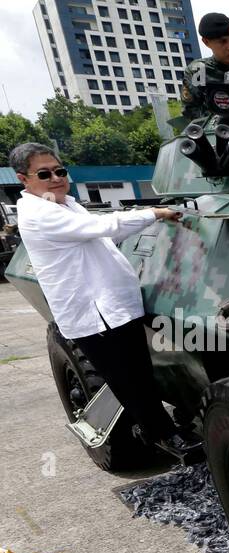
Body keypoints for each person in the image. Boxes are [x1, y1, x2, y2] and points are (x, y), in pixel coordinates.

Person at [11, 142, 199, 462]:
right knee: (128, 379)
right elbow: (100, 227)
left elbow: (106, 237)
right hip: (94, 312)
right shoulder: (39, 213)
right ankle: (161, 436)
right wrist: (155, 213)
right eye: (44, 173)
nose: (56, 178)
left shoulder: (65, 204)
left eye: (60, 170)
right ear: (23, 179)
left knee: (140, 372)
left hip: (114, 307)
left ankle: (169, 423)